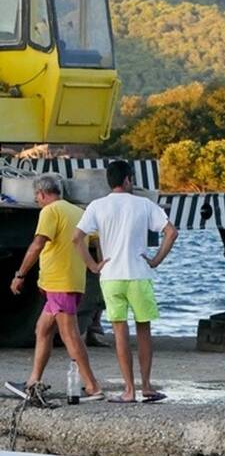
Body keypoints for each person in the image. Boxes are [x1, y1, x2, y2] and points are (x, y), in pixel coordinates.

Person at [73, 160, 178, 404]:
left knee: (120, 332)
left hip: (111, 275)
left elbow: (76, 238)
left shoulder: (97, 206)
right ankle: (147, 386)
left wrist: (93, 266)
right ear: (128, 179)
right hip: (139, 274)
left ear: (110, 181)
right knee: (143, 330)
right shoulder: (143, 204)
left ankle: (128, 390)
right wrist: (156, 260)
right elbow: (171, 232)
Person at [6, 175, 105, 405]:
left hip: (60, 283)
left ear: (41, 194)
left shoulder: (50, 212)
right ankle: (33, 383)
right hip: (71, 281)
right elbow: (94, 243)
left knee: (69, 335)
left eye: (37, 198)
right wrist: (96, 268)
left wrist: (20, 274)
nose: (37, 201)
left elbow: (38, 244)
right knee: (42, 329)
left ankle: (92, 386)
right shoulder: (78, 212)